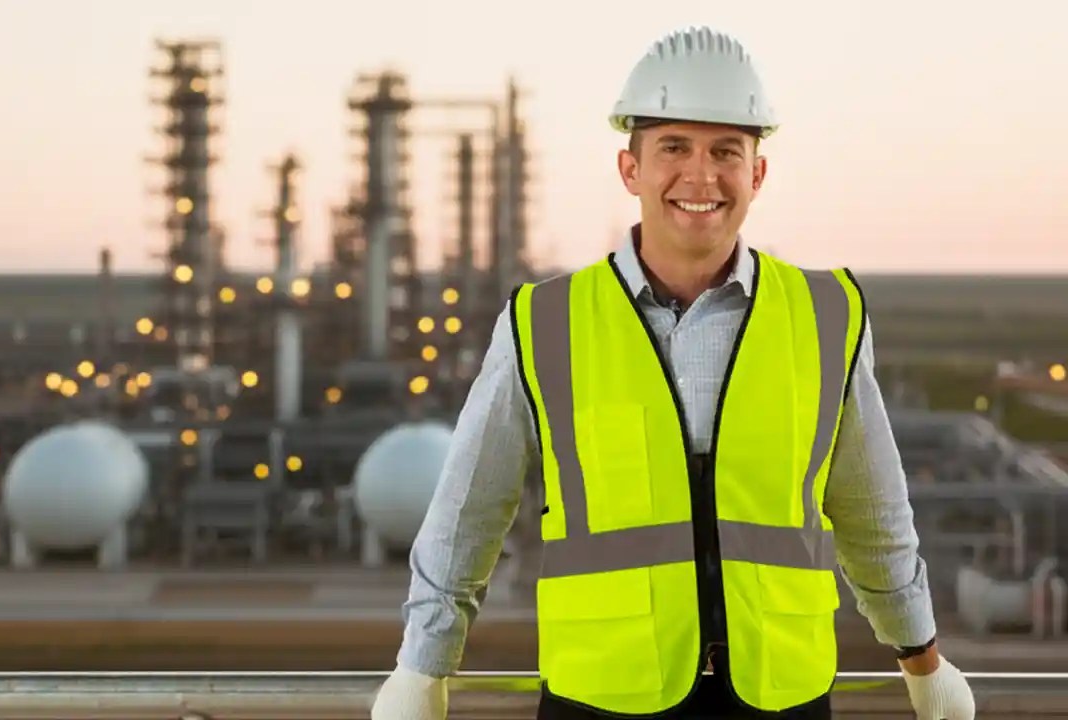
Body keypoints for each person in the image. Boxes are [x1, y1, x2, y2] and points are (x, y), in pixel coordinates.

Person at [371, 24, 977, 720]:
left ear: (758, 172)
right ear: (631, 169)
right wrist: (422, 667)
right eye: (674, 149)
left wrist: (922, 659)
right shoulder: (544, 323)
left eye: (726, 151)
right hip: (602, 695)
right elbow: (467, 513)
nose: (701, 175)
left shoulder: (825, 316)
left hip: (781, 695)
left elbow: (874, 514)